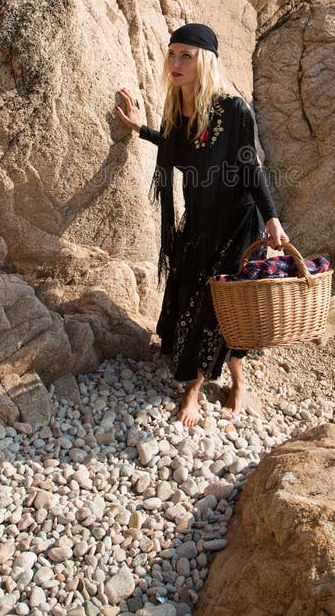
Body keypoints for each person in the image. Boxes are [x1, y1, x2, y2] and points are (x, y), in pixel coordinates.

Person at [115, 23, 289, 426]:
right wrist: (141, 129)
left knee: (221, 308)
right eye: (172, 54)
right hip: (199, 220)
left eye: (185, 56)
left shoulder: (233, 110)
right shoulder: (178, 104)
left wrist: (273, 219)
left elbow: (251, 169)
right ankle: (221, 378)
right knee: (198, 295)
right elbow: (181, 154)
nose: (175, 63)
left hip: (238, 223)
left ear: (204, 61)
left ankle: (199, 388)